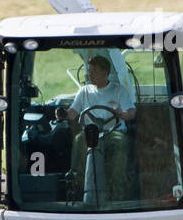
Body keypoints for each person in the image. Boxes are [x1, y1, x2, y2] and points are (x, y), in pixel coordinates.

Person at [55, 55, 135, 201]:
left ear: (105, 73)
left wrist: (121, 113)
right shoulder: (84, 91)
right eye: (89, 72)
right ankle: (79, 189)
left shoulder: (119, 90)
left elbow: (131, 112)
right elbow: (73, 113)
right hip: (90, 134)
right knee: (79, 140)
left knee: (121, 143)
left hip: (113, 132)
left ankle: (117, 193)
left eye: (93, 72)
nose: (89, 75)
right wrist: (63, 114)